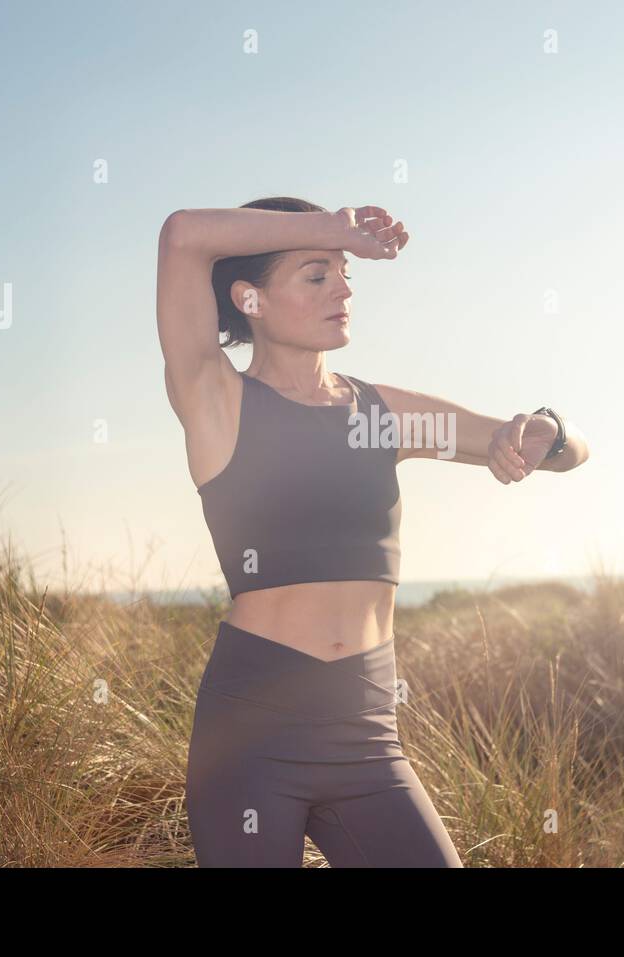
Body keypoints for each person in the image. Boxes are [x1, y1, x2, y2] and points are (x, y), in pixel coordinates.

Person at [157, 197, 590, 867]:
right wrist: (336, 227)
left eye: (345, 271)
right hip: (250, 736)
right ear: (251, 299)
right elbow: (183, 236)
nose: (345, 287)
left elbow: (565, 453)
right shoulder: (217, 399)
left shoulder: (380, 413)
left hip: (365, 734)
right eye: (317, 274)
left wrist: (541, 430)